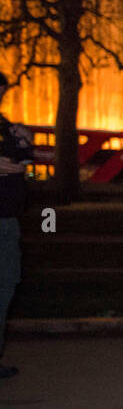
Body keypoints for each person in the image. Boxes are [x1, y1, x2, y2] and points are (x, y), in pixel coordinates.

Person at [0, 72, 34, 379]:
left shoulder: (5, 126)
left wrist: (24, 146)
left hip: (7, 218)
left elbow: (24, 157)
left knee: (7, 285)